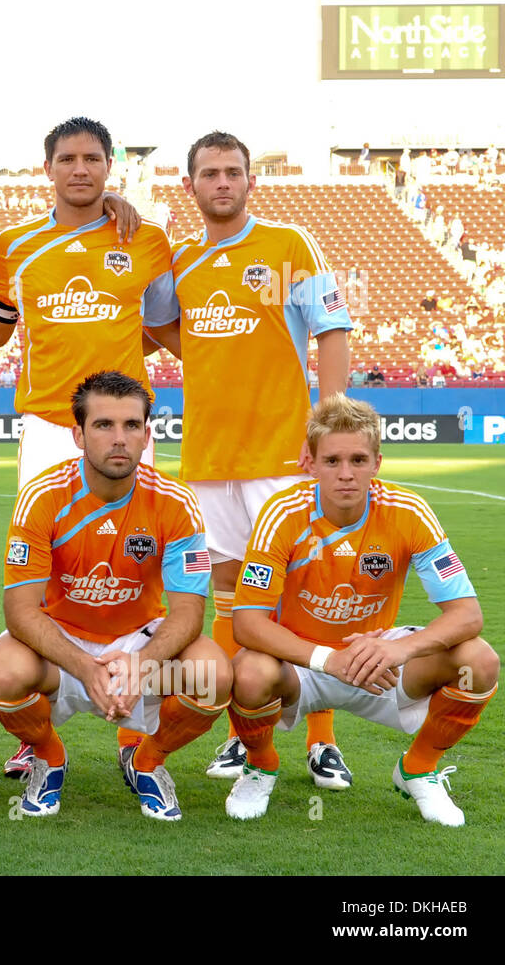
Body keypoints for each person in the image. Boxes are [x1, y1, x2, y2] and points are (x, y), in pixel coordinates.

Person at [167, 130, 353, 784]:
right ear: (189, 185)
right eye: (209, 173)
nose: (222, 182)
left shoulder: (288, 243)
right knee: (227, 597)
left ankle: (321, 740)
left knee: (299, 594)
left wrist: (328, 426)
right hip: (208, 458)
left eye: (233, 171)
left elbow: (332, 329)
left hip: (282, 452)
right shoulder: (180, 260)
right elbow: (157, 324)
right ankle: (244, 736)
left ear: (251, 181)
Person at [225, 395, 496, 825]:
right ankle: (261, 766)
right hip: (304, 664)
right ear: (310, 463)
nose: (346, 474)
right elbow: (247, 622)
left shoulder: (409, 512)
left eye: (358, 459)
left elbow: (467, 614)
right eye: (332, 461)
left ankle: (419, 769)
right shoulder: (282, 515)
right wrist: (327, 659)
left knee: (479, 661)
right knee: (249, 672)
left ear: (377, 462)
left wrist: (399, 649)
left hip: (379, 660)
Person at [0, 371, 230, 820]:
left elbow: (190, 612)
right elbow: (20, 611)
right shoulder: (42, 497)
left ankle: (148, 762)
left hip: (139, 645)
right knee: (5, 672)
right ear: (78, 435)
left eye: (131, 426)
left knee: (211, 673)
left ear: (147, 434)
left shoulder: (175, 502)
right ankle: (49, 756)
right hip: (62, 651)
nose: (119, 439)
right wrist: (85, 667)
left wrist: (142, 663)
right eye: (104, 425)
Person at [0, 116, 178, 489]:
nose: (80, 169)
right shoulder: (13, 247)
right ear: (48, 168)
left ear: (109, 166)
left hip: (126, 421)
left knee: (135, 543)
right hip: (47, 426)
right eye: (67, 160)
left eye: (92, 159)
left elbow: (162, 326)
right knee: (41, 543)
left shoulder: (147, 239)